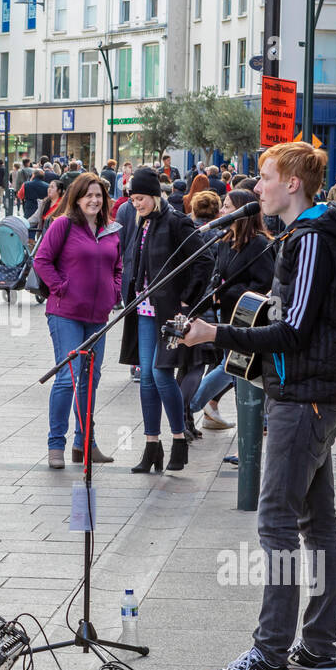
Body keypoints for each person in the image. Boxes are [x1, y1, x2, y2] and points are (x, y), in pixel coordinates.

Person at [178, 141, 336, 670]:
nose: (256, 187)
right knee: (317, 524)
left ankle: (270, 656)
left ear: (292, 183)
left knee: (277, 524)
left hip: (304, 398)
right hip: (314, 393)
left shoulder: (309, 240)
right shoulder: (310, 236)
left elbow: (295, 331)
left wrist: (217, 333)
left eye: (264, 177)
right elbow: (300, 316)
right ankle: (318, 648)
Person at [119, 167, 213, 474]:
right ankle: (151, 446)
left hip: (170, 314)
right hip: (144, 311)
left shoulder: (176, 221)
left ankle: (178, 438)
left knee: (161, 375)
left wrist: (187, 299)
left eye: (142, 198)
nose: (137, 204)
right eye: (133, 199)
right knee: (146, 377)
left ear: (155, 196)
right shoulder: (140, 223)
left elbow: (204, 260)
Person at [33, 174, 123, 469]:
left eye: (99, 196)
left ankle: (85, 443)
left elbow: (118, 267)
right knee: (68, 376)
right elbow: (41, 260)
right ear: (77, 198)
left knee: (90, 380)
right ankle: (55, 444)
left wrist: (115, 291)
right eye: (89, 196)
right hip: (65, 313)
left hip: (98, 317)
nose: (94, 200)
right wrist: (62, 287)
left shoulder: (111, 230)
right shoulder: (64, 225)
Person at [186, 190, 275, 431]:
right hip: (225, 314)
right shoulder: (225, 240)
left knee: (234, 368)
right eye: (223, 206)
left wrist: (228, 292)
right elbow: (219, 275)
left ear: (241, 212)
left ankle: (191, 405)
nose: (222, 211)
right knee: (231, 367)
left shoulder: (259, 244)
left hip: (248, 318)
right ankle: (194, 406)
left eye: (227, 206)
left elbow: (263, 284)